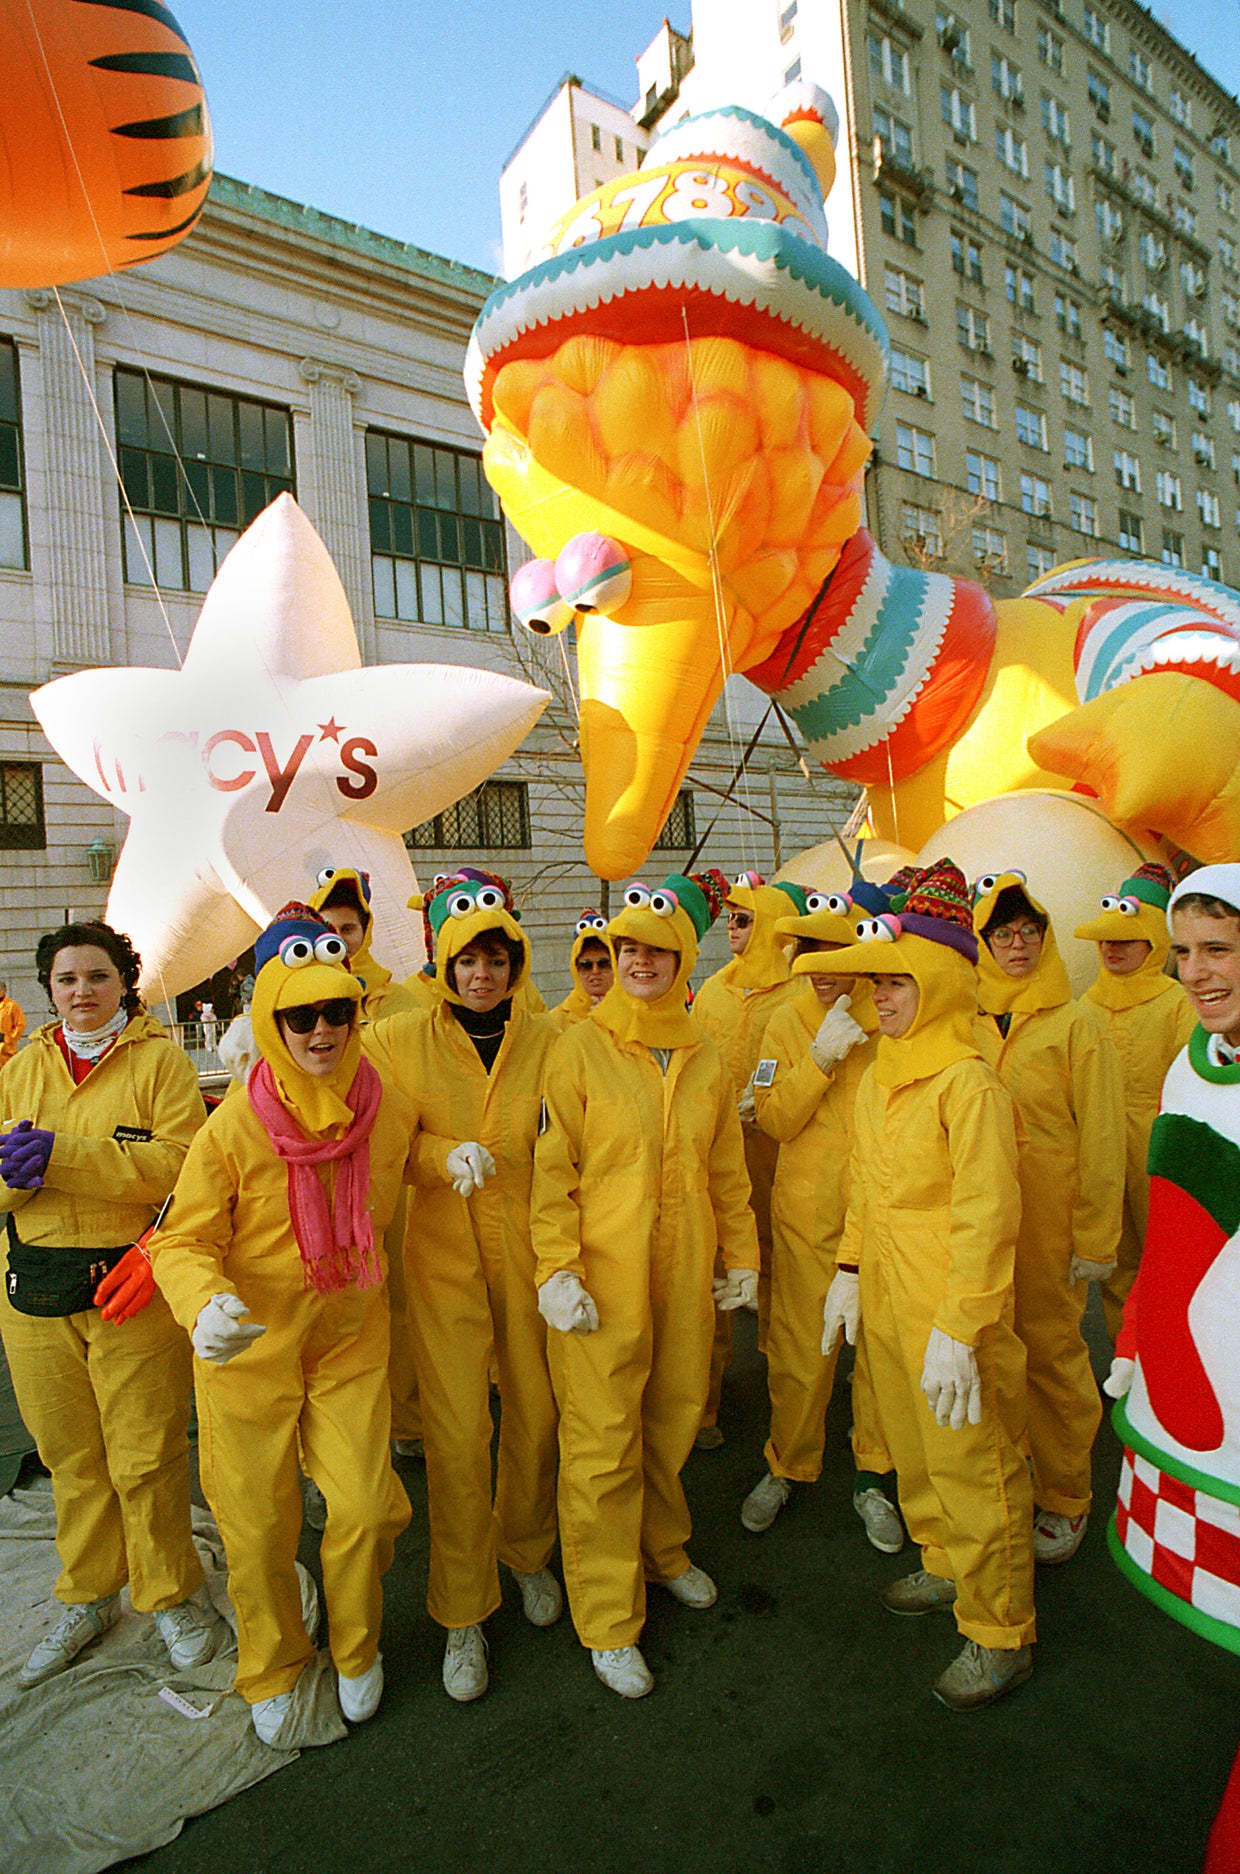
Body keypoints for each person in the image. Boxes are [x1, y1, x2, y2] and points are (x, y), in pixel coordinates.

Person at [151, 905, 479, 1746]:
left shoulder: (384, 1101)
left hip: (348, 1343)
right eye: (304, 1015)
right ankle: (275, 1662)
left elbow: (413, 1150)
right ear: (272, 1020)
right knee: (258, 1525)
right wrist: (201, 1303)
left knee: (368, 1508)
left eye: (339, 1011)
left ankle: (357, 1645)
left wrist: (453, 1160)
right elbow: (181, 1238)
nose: (324, 1029)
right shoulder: (232, 1126)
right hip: (249, 1355)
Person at [531, 871, 759, 1699]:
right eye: (626, 948)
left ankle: (663, 1552)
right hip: (602, 1279)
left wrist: (743, 1255)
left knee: (672, 1417)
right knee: (600, 1445)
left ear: (680, 957)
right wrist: (556, 1269)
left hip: (685, 1268)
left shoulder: (703, 1053)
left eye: (655, 950)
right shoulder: (580, 1049)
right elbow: (550, 1172)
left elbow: (725, 1166)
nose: (638, 961)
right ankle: (607, 1616)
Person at [822, 860, 1035, 1711]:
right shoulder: (881, 1072)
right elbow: (864, 1186)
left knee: (975, 1465)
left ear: (941, 979)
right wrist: (846, 1271)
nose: (881, 996)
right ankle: (944, 1562)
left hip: (952, 1313)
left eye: (896, 981)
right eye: (876, 981)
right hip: (887, 1298)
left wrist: (962, 1325)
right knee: (917, 1452)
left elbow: (989, 1218)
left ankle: (999, 1629)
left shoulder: (968, 1084)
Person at [0, 920, 214, 1689]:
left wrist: (61, 1156)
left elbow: (182, 1167)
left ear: (125, 981)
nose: (82, 992)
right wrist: (17, 1177)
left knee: (146, 1452)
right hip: (33, 1292)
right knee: (70, 1456)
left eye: (97, 976)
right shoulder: (19, 1071)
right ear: (48, 990)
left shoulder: (161, 1064)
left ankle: (168, 1595)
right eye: (66, 980)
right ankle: (90, 1593)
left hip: (132, 1285)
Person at [367, 873, 561, 1703]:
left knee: (536, 1411)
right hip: (443, 1260)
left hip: (530, 1253)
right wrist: (439, 1155)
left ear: (516, 960)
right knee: (453, 1437)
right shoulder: (396, 1041)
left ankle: (525, 1552)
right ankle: (462, 1608)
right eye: (466, 959)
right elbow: (385, 1144)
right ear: (442, 961)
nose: (481, 974)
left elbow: (574, 1139)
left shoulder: (553, 1039)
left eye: (495, 958)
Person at [1106, 866, 1240, 1665]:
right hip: (1206, 1377)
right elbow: (1171, 1236)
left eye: (1218, 949)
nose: (1195, 973)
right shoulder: (1188, 1065)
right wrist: (1135, 1335)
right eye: (1183, 951)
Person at [972, 872, 1125, 1565]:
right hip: (981, 1222)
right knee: (996, 1355)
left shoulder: (1077, 1023)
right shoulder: (967, 1018)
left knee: (1055, 1356)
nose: (1017, 945)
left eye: (1028, 932)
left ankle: (1067, 1497)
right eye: (1002, 933)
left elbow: (1100, 1139)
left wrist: (1095, 1238)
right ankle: (1017, 1474)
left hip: (1049, 1224)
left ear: (1045, 937)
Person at [742, 892, 899, 1550]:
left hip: (882, 1211)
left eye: (836, 949)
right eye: (810, 950)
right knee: (802, 1349)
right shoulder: (783, 1020)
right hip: (807, 1211)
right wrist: (821, 1058)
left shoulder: (891, 1012)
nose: (822, 964)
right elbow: (773, 1119)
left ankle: (875, 1476)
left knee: (881, 1355)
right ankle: (788, 1462)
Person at [309, 864, 422, 1466]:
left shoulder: (399, 1000)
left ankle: (404, 1421)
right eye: (329, 929)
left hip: (387, 1175)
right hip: (319, 1180)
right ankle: (336, 1446)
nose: (342, 940)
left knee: (396, 1303)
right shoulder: (295, 1002)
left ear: (366, 929)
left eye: (349, 928)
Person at [692, 870, 807, 1447]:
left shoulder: (799, 993)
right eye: (730, 919)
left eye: (744, 920)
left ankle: (780, 1383)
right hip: (721, 1152)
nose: (732, 929)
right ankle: (705, 1402)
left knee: (777, 1268)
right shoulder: (714, 989)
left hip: (780, 1153)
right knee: (716, 1266)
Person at [1074, 863, 1196, 1338]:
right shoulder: (1084, 1007)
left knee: (1170, 1265)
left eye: (1126, 939)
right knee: (1114, 1264)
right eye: (1107, 940)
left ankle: (1166, 1368)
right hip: (1101, 1158)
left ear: (1154, 943)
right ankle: (1127, 1363)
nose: (1112, 948)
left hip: (1162, 1155)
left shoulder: (1180, 1003)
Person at [405, 868, 548, 1014]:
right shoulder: (411, 995)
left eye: (497, 962)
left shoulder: (525, 994)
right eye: (467, 962)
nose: (482, 974)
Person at [549, 912, 613, 1030]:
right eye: (586, 965)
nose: (595, 971)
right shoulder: (555, 1022)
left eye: (603, 964)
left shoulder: (631, 1013)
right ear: (575, 969)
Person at [0, 979, 25, 1065]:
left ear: (4, 990)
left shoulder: (12, 1006)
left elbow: (20, 1025)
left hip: (6, 1050)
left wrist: (8, 1038)